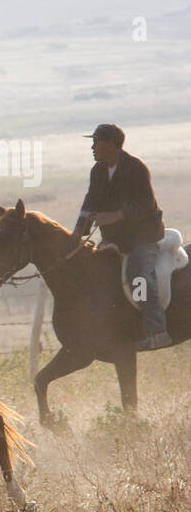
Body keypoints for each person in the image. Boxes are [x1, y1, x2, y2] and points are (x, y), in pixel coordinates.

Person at [72, 124, 171, 351]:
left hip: (143, 237)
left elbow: (146, 205)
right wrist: (78, 231)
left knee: (138, 276)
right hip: (115, 239)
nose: (92, 147)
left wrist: (116, 216)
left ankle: (157, 331)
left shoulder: (136, 168)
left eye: (96, 142)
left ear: (111, 144)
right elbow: (90, 203)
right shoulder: (97, 171)